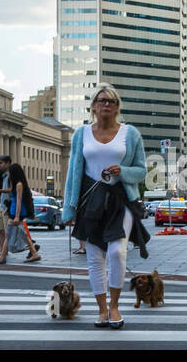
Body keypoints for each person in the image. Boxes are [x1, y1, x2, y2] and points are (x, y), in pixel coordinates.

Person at [62, 85, 150, 329]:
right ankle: (102, 310)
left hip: (120, 199)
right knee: (94, 257)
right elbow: (74, 173)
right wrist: (69, 208)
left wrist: (123, 171)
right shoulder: (81, 134)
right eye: (101, 100)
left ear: (117, 106)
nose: (106, 104)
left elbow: (141, 170)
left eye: (111, 101)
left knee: (116, 252)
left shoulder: (130, 134)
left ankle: (114, 305)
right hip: (90, 200)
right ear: (93, 106)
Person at [0, 161, 41, 264]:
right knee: (15, 233)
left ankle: (2, 256)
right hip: (13, 209)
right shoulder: (15, 184)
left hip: (17, 211)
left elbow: (19, 200)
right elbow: (11, 195)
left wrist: (17, 216)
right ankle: (34, 253)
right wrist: (8, 208)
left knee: (9, 233)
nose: (9, 174)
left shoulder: (19, 184)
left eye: (10, 172)